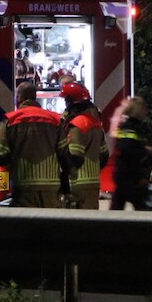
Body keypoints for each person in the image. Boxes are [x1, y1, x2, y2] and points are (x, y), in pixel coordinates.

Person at [0, 82, 63, 208]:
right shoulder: (56, 120)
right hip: (51, 186)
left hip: (23, 186)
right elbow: (65, 153)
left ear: (19, 97)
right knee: (50, 219)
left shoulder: (10, 120)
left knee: (26, 220)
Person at [59, 82, 108, 210]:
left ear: (71, 103)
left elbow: (74, 158)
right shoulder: (96, 124)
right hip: (93, 183)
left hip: (77, 183)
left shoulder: (77, 125)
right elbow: (104, 155)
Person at [108, 96, 152, 210]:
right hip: (129, 174)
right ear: (138, 110)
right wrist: (145, 150)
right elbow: (127, 148)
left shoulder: (130, 126)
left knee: (117, 206)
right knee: (140, 207)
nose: (146, 111)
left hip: (125, 173)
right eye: (144, 108)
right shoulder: (131, 127)